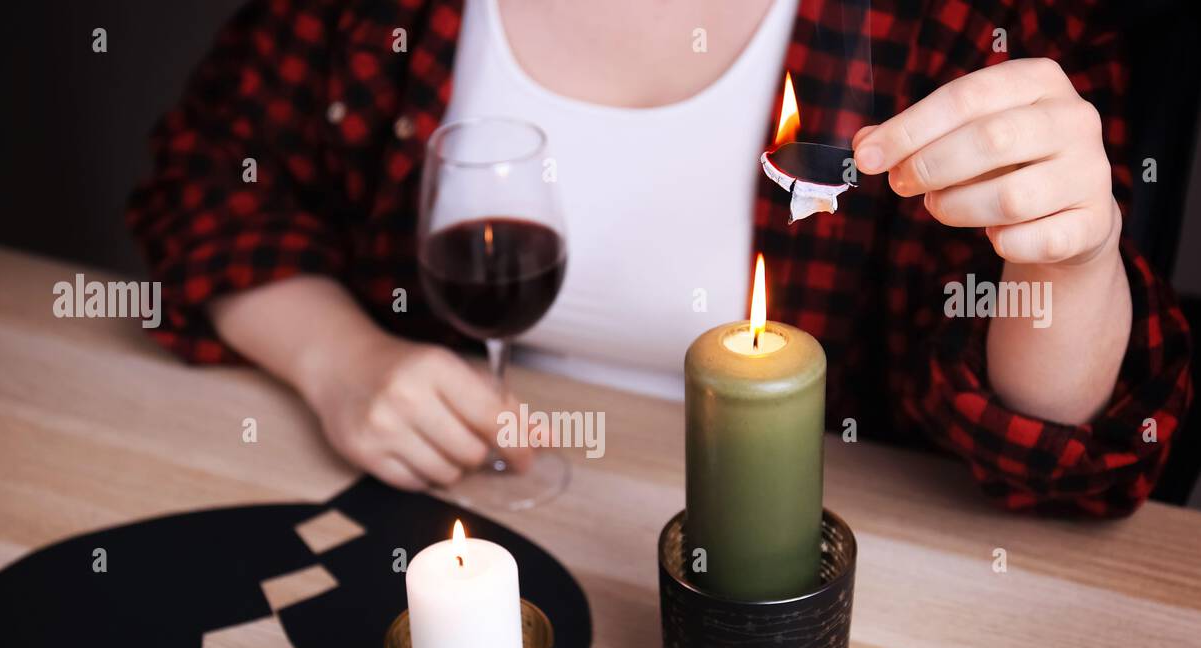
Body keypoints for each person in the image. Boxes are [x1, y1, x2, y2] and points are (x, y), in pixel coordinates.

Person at [128, 0, 1192, 515]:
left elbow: (1061, 455)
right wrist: (343, 361)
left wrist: (1066, 261)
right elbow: (210, 179)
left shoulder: (974, 14)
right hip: (447, 521)